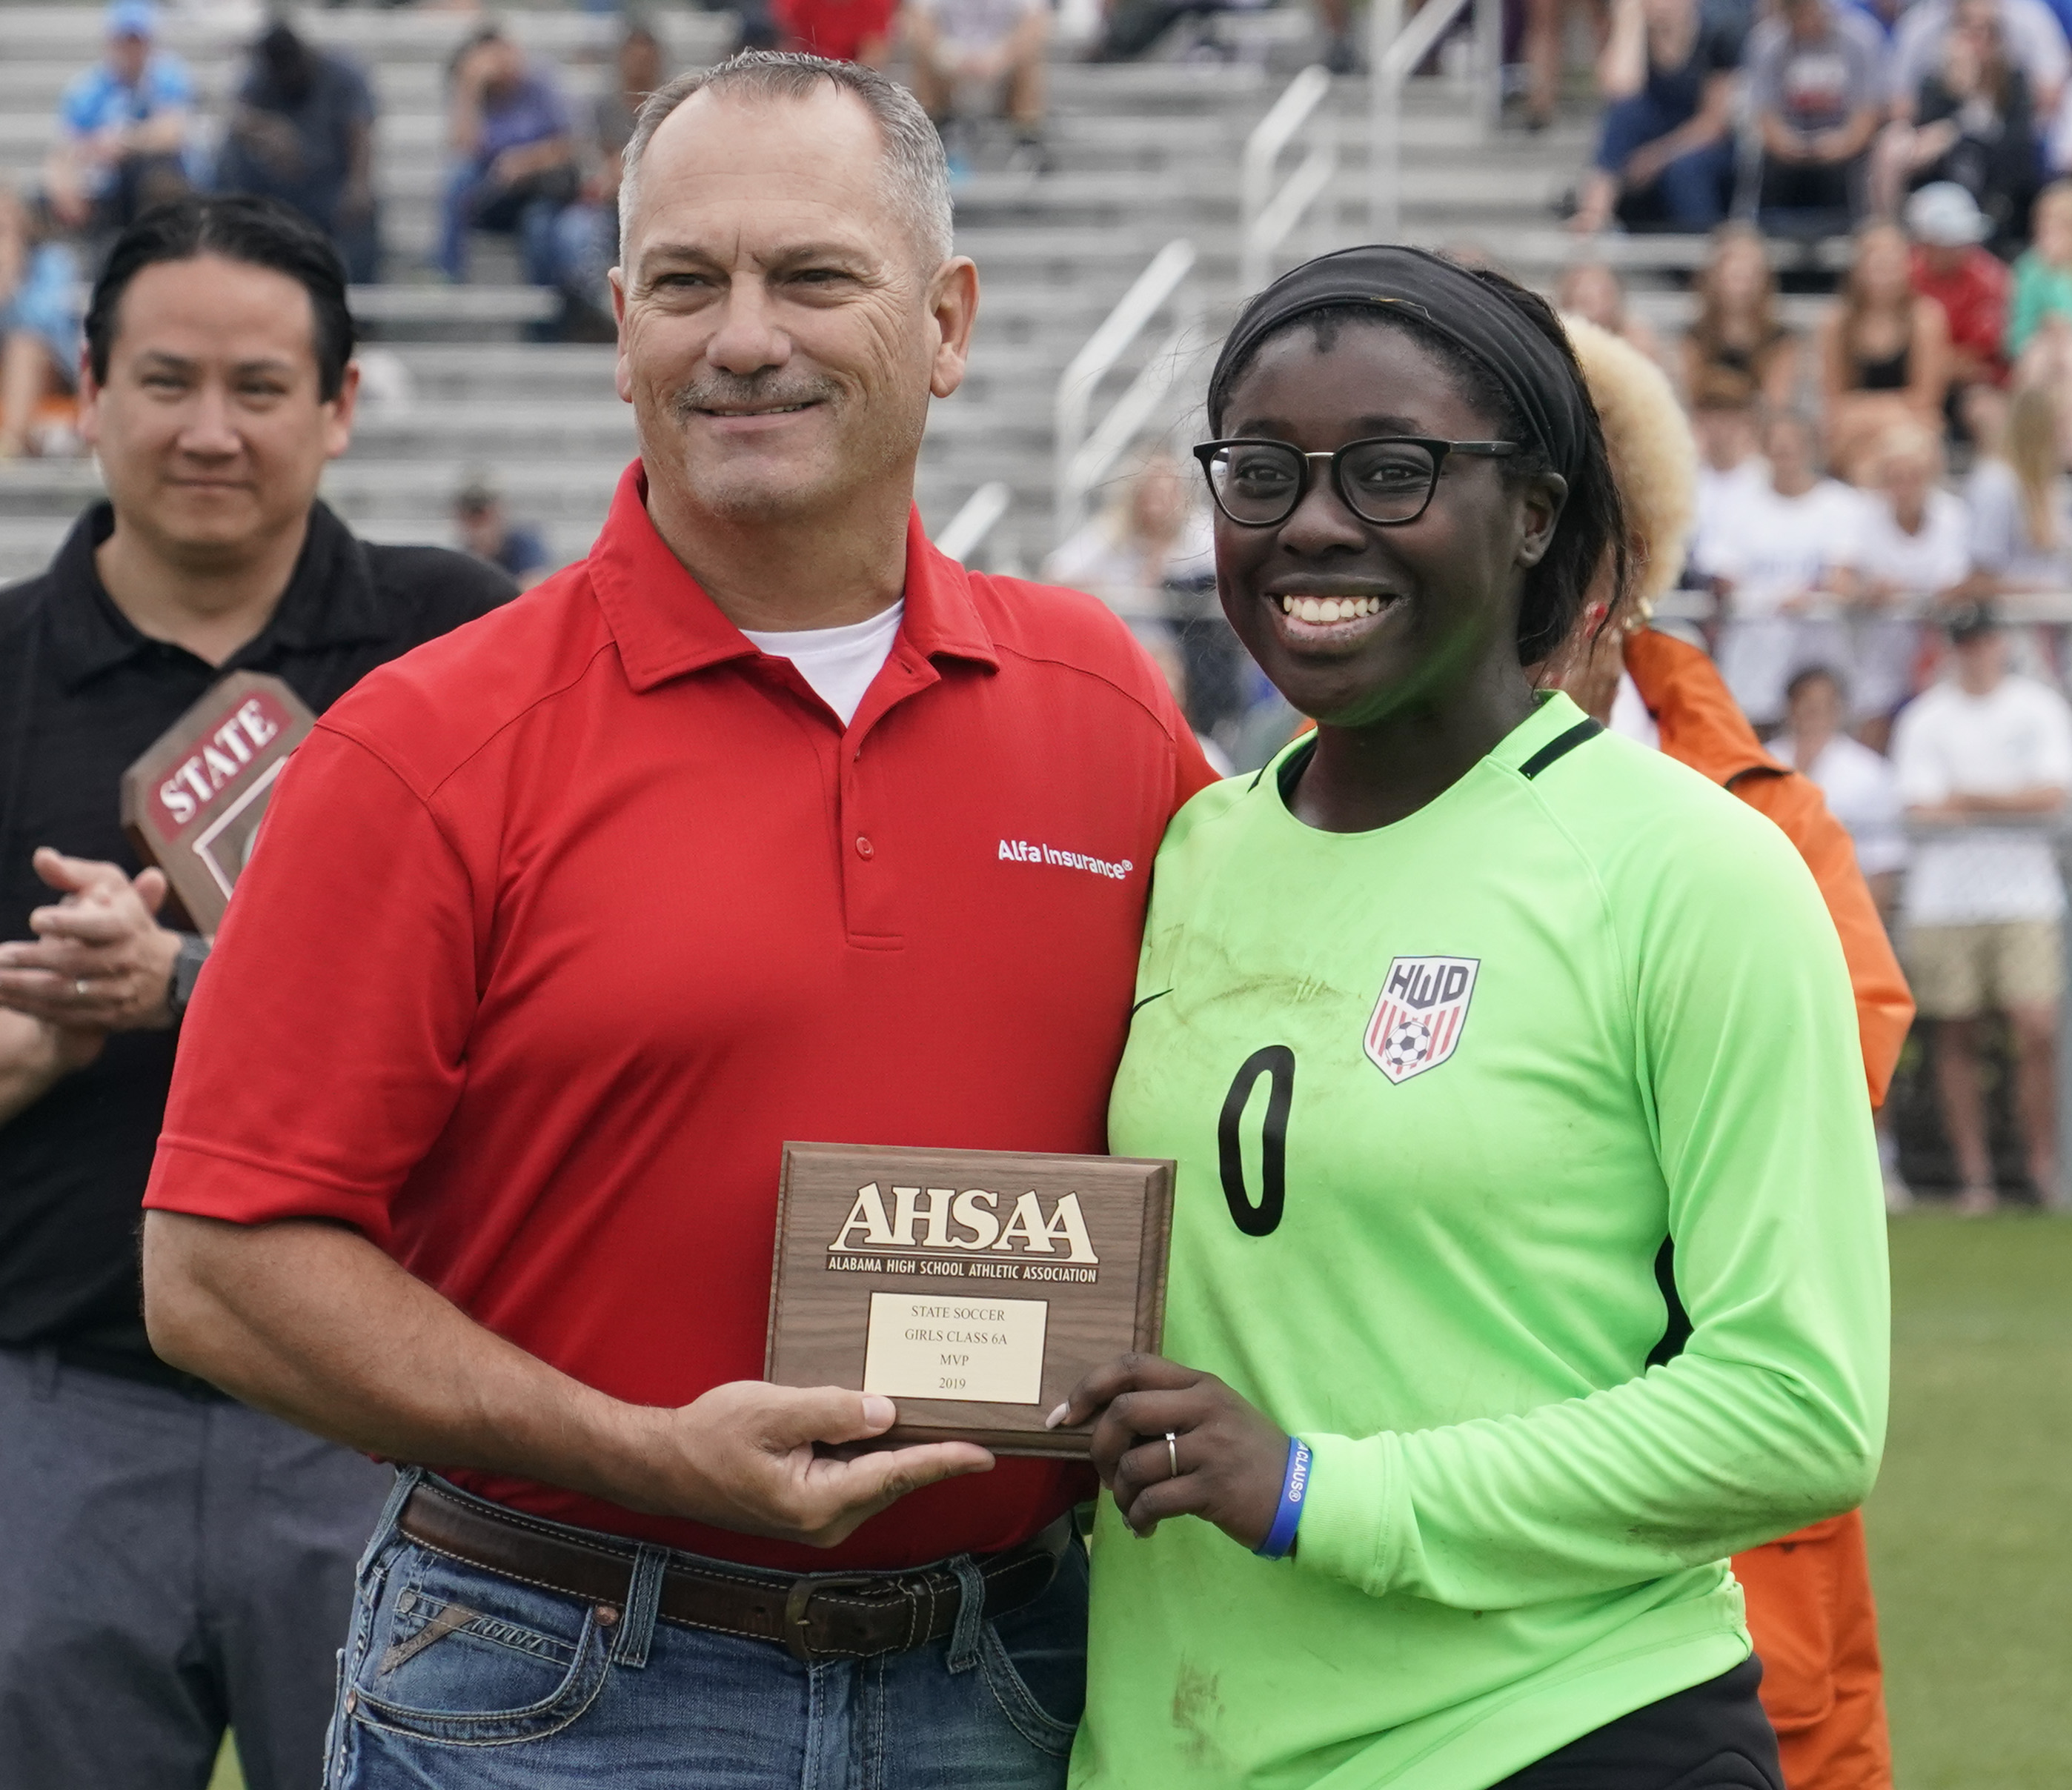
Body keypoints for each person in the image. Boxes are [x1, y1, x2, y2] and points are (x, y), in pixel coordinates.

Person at [140, 51, 1213, 1790]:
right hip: (557, 1682)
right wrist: (638, 1446)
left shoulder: (1106, 707)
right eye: (686, 282)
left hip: (1013, 1668)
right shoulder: (426, 745)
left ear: (945, 322)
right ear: (621, 324)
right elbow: (218, 1271)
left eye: (813, 276)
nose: (744, 337)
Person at [1050, 244, 1885, 1790]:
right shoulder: (1188, 851)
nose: (1312, 523)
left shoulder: (1694, 872)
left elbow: (1797, 1412)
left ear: (1538, 513)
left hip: (1558, 1734)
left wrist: (1324, 1491)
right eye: (1262, 472)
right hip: (1176, 1750)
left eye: (1392, 471)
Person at [0, 195, 516, 1790]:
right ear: (89, 389)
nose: (209, 430)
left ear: (340, 406)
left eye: (261, 387)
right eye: (165, 381)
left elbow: (552, 1013)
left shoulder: (463, 645)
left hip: (385, 1401)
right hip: (56, 1409)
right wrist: (40, 1037)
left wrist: (186, 981)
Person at [1550, 313, 1908, 1790]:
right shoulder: (1338, 792)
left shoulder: (1766, 813)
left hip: (1722, 1524)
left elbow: (1841, 1064)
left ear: (1627, 549)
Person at [1893, 604, 2071, 1211]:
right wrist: (2004, 803)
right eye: (1966, 642)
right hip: (1944, 900)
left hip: (2026, 893)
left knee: (2037, 1025)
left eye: (1985, 639)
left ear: (2001, 643)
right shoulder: (1926, 717)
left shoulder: (2039, 708)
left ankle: (2042, 1168)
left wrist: (1965, 800)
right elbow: (1920, 808)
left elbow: (2053, 796)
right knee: (1955, 1031)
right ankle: (1976, 1179)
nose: (1977, 652)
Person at [1700, 408, 1867, 730]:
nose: (1786, 459)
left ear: (1811, 450)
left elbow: (1843, 579)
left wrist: (1809, 596)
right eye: (1778, 451)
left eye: (1793, 449)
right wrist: (1776, 599)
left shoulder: (1841, 505)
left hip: (1817, 656)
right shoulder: (1737, 507)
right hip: (1754, 657)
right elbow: (1723, 580)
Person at [214, 22, 379, 285]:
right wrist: (269, 131)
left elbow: (359, 129)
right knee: (230, 162)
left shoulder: (342, 73)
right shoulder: (264, 75)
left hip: (330, 184)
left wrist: (357, 185)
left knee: (361, 213)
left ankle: (357, 299)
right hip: (279, 185)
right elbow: (237, 119)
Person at [1871, 0, 2040, 247]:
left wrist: (1961, 127)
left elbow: (2018, 147)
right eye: (1970, 33)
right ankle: (1888, 229)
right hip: (1942, 186)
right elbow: (1928, 142)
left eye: (1987, 33)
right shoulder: (1935, 84)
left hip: (1996, 189)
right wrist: (1958, 92)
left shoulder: (2014, 83)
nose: (1978, 43)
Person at [1571, 0, 1739, 233]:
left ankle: (1700, 241)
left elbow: (1714, 124)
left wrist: (1658, 157)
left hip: (1699, 140)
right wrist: (1629, 22)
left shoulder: (1717, 34)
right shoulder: (1638, 36)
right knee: (1623, 116)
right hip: (1650, 131)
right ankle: (1594, 214)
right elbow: (1620, 91)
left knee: (1686, 170)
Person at [1850, 421, 1970, 741]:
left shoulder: (1953, 516)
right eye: (1894, 478)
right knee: (1874, 734)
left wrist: (1905, 592)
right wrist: (1866, 591)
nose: (1904, 488)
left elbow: (1955, 584)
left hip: (1939, 652)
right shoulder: (1863, 517)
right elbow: (1843, 579)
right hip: (1879, 652)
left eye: (1914, 477)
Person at [439, 27, 580, 287]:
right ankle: (447, 274)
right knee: (458, 178)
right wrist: (469, 87)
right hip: (496, 193)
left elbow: (567, 146)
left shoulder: (540, 82)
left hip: (539, 188)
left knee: (539, 226)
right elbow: (464, 148)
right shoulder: (481, 94)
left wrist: (524, 162)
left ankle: (544, 302)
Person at [42, 1, 194, 236]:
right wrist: (64, 186)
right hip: (103, 186)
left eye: (137, 41)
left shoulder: (168, 77)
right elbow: (64, 148)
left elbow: (173, 133)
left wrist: (123, 143)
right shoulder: (88, 89)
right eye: (124, 41)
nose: (131, 50)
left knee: (158, 179)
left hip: (150, 180)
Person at [1817, 222, 1952, 481]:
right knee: (1858, 459)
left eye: (1892, 264)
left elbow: (1925, 399)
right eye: (1876, 264)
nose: (1883, 274)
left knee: (1907, 451)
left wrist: (1864, 413)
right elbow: (1834, 403)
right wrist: (1890, 412)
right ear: (1859, 268)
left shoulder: (1926, 319)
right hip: (1856, 436)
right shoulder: (1836, 323)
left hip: (1909, 428)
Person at [1747, 0, 1888, 234]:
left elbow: (1869, 112)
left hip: (1845, 143)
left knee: (1846, 169)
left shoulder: (1860, 37)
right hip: (1787, 145)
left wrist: (1841, 144)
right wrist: (1789, 145)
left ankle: (1851, 230)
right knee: (1769, 164)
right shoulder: (1767, 41)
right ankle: (1767, 232)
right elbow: (1765, 113)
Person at [1776, 666, 1910, 910]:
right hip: (1774, 895)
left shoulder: (1870, 771)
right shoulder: (1764, 763)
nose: (1814, 712)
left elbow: (1883, 860)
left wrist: (1865, 917)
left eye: (1824, 705)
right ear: (1790, 708)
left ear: (1839, 709)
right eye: (1806, 703)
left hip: (1842, 902)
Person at [905, 0, 1052, 173]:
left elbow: (1036, 21)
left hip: (1002, 64)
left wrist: (1002, 57)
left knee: (1029, 58)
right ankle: (933, 127)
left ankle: (1027, 135)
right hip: (949, 64)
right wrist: (950, 56)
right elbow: (917, 19)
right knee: (924, 56)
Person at [1962, 377, 2072, 589]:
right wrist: (2045, 590)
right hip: (2017, 608)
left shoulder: (2053, 486)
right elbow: (1980, 578)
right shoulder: (1995, 484)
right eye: (2064, 424)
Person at [1681, 224, 1801, 415]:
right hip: (1707, 421)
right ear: (1715, 275)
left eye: (1749, 272)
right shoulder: (1695, 337)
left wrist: (1722, 386)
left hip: (1759, 423)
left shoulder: (1780, 339)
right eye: (1734, 272)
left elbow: (1776, 402)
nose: (1741, 280)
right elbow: (1694, 395)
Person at [0, 188, 84, 460]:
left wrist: (11, 289)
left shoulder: (53, 263)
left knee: (25, 347)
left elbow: (49, 326)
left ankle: (10, 446)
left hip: (50, 364)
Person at [1907, 182, 2011, 394]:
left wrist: (1929, 363)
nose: (1957, 250)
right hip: (1910, 380)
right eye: (1943, 242)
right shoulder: (1903, 275)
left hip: (1975, 387)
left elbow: (1979, 358)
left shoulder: (1990, 278)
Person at [2005, 179, 2072, 360]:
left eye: (2062, 224)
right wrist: (2052, 273)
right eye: (2044, 221)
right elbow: (2014, 342)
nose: (2048, 230)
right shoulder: (2029, 269)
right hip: (2039, 355)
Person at [1556, 261, 1665, 363]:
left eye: (1603, 294)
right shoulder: (1558, 343)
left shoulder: (1637, 339)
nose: (1595, 307)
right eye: (1585, 299)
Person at [454, 474, 551, 587]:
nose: (478, 521)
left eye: (483, 514)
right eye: (471, 516)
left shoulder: (526, 547)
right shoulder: (463, 556)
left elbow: (533, 585)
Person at [776, 0, 897, 64]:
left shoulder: (875, 4)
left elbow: (872, 55)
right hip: (806, 67)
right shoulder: (798, 3)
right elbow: (789, 45)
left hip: (851, 74)